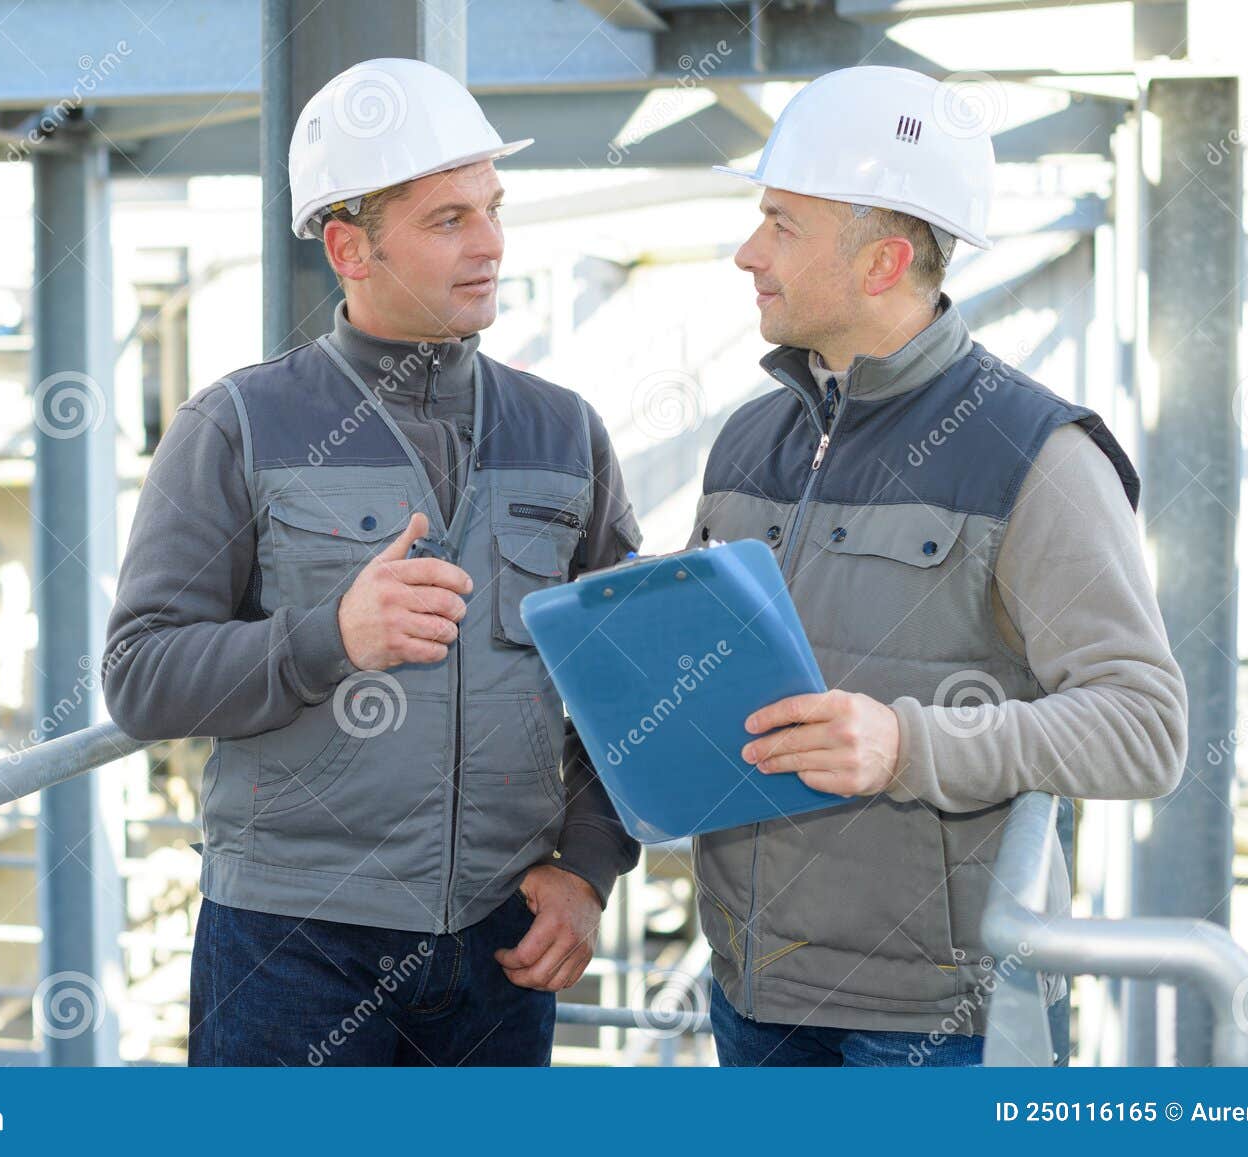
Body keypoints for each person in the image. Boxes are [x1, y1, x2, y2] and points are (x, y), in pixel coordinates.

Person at [102, 57, 642, 1066]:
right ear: (348, 246)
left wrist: (590, 867)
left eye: (492, 208)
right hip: (288, 948)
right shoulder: (239, 424)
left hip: (502, 939)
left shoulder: (564, 431)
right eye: (449, 220)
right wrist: (330, 638)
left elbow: (628, 676)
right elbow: (140, 677)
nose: (490, 245)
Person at [691, 65, 1188, 1066]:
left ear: (881, 261)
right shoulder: (748, 442)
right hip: (751, 991)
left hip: (929, 1028)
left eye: (782, 224)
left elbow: (1144, 727)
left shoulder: (1035, 455)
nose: (747, 253)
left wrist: (907, 746)